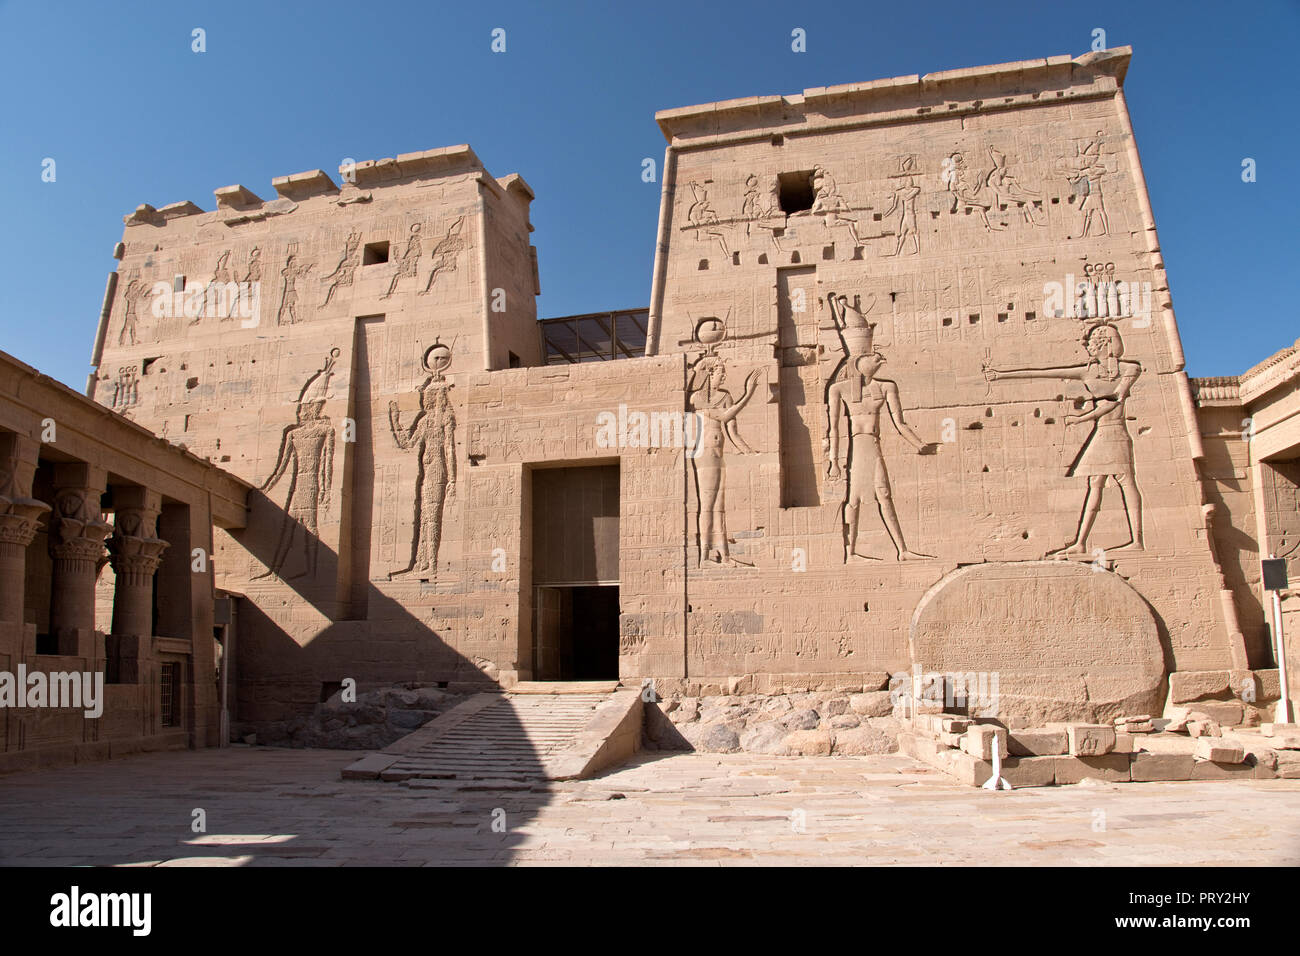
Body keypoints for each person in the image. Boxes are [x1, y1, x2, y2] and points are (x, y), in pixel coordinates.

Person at [985, 323, 1142, 555]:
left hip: (1116, 432)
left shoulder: (1130, 369)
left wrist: (1080, 419)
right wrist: (1001, 375)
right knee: (1095, 484)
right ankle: (1080, 543)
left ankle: (1136, 541)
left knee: (1126, 483)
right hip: (1101, 433)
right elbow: (1044, 372)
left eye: (1092, 343)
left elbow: (1115, 400)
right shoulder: (1087, 372)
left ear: (1106, 344)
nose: (1088, 347)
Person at [827, 351, 933, 561]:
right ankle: (851, 553)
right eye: (873, 357)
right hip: (858, 447)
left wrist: (920, 445)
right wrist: (834, 462)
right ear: (859, 363)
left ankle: (902, 551)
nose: (879, 360)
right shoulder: (839, 389)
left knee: (884, 495)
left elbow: (900, 423)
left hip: (873, 445)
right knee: (854, 499)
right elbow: (834, 429)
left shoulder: (886, 387)